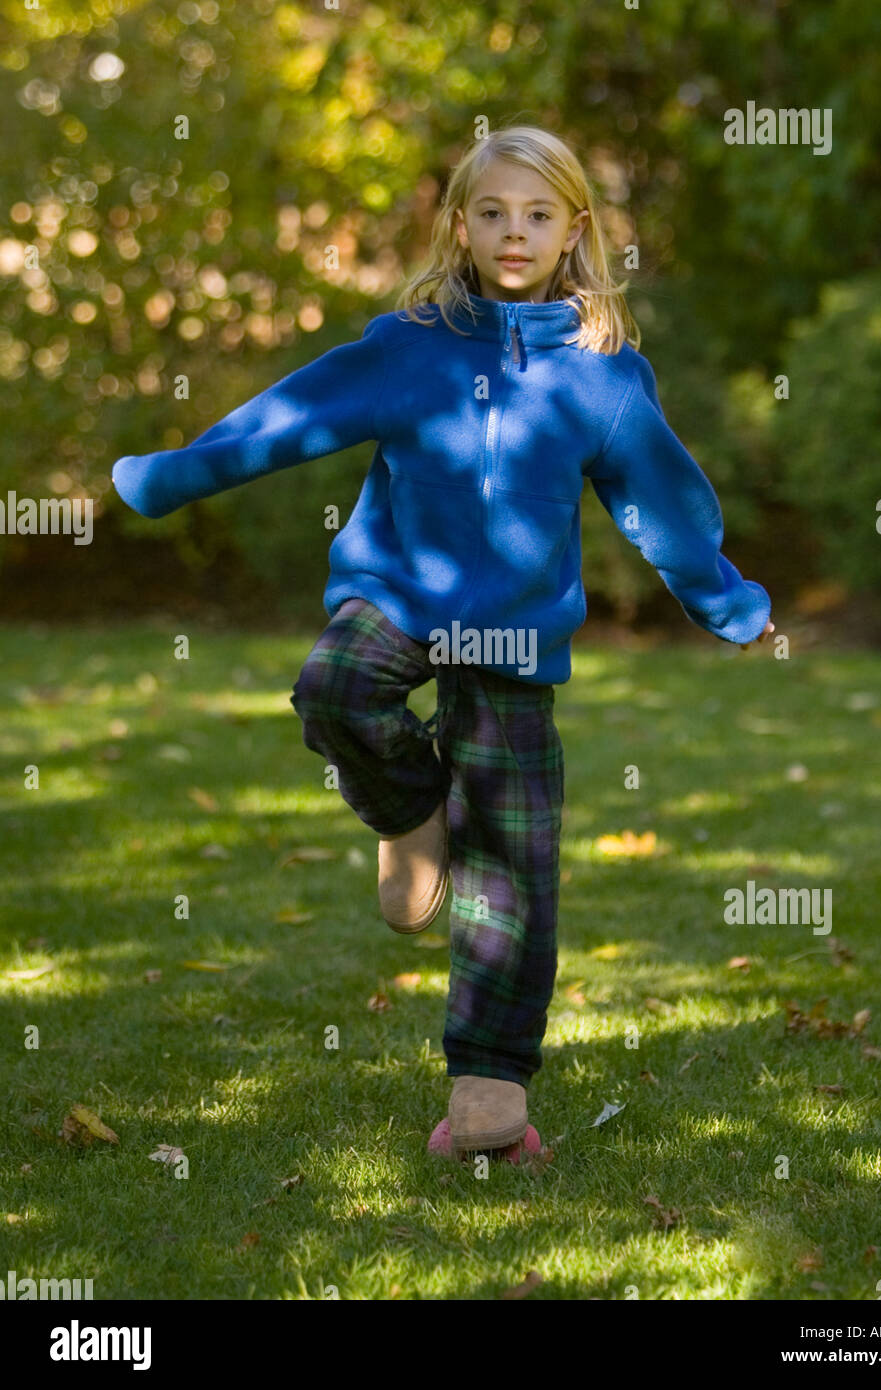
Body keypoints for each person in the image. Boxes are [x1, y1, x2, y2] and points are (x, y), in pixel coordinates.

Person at [111, 124, 773, 1160]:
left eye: (539, 214)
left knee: (514, 862)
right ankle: (411, 811)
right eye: (494, 212)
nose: (516, 232)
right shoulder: (408, 347)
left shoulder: (602, 376)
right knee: (336, 691)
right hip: (397, 597)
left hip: (511, 635)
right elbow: (287, 419)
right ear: (460, 225)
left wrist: (725, 599)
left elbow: (666, 506)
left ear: (574, 231)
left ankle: (488, 1089)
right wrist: (173, 474)